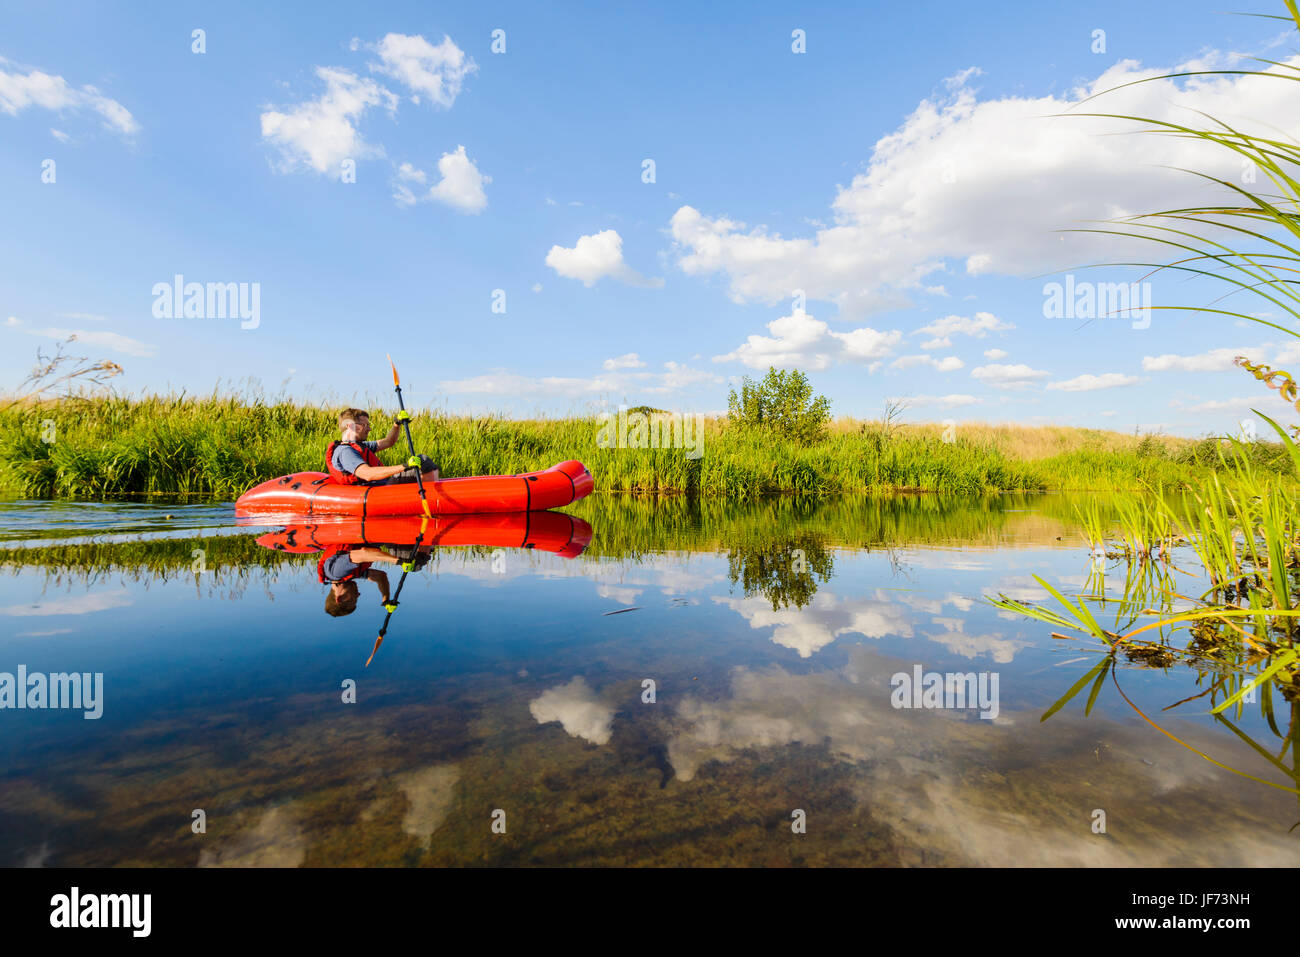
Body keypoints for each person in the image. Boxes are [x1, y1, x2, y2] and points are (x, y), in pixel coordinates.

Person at [326, 407, 440, 486]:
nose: (369, 429)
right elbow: (367, 474)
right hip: (373, 489)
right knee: (423, 462)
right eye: (365, 425)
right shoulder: (346, 452)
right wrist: (404, 466)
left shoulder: (361, 445)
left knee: (423, 462)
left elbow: (388, 442)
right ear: (350, 426)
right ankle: (433, 500)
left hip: (382, 484)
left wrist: (397, 424)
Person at [320, 542, 431, 617]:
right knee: (415, 565)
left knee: (415, 562)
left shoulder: (337, 573)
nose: (358, 595)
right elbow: (380, 577)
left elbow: (363, 553)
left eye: (353, 599)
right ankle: (429, 537)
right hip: (375, 539)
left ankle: (430, 531)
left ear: (340, 598)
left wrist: (399, 561)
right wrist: (385, 600)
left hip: (369, 534)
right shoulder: (346, 576)